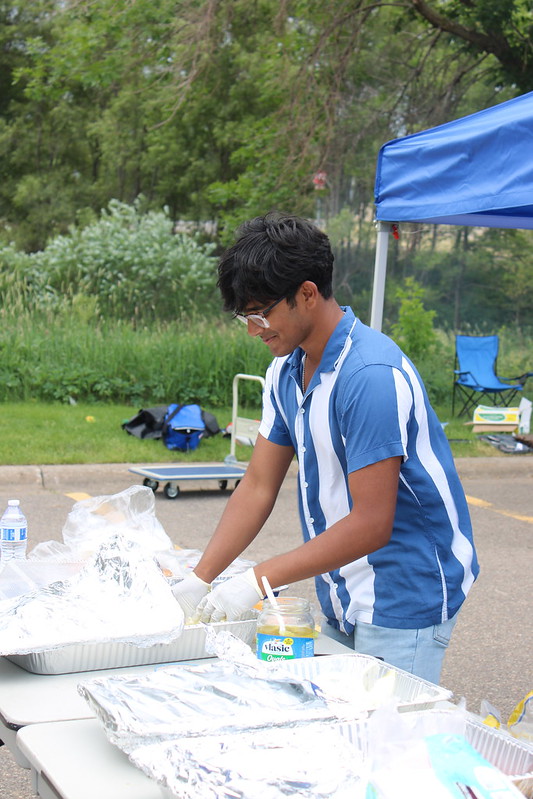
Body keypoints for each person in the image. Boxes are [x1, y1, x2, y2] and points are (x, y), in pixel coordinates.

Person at [173, 211, 479, 684]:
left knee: (383, 739)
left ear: (308, 294)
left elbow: (372, 523)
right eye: (245, 316)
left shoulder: (369, 377)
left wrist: (258, 581)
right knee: (339, 724)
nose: (254, 329)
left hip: (404, 590)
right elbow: (257, 485)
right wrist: (199, 580)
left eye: (261, 313)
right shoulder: (286, 371)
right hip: (342, 582)